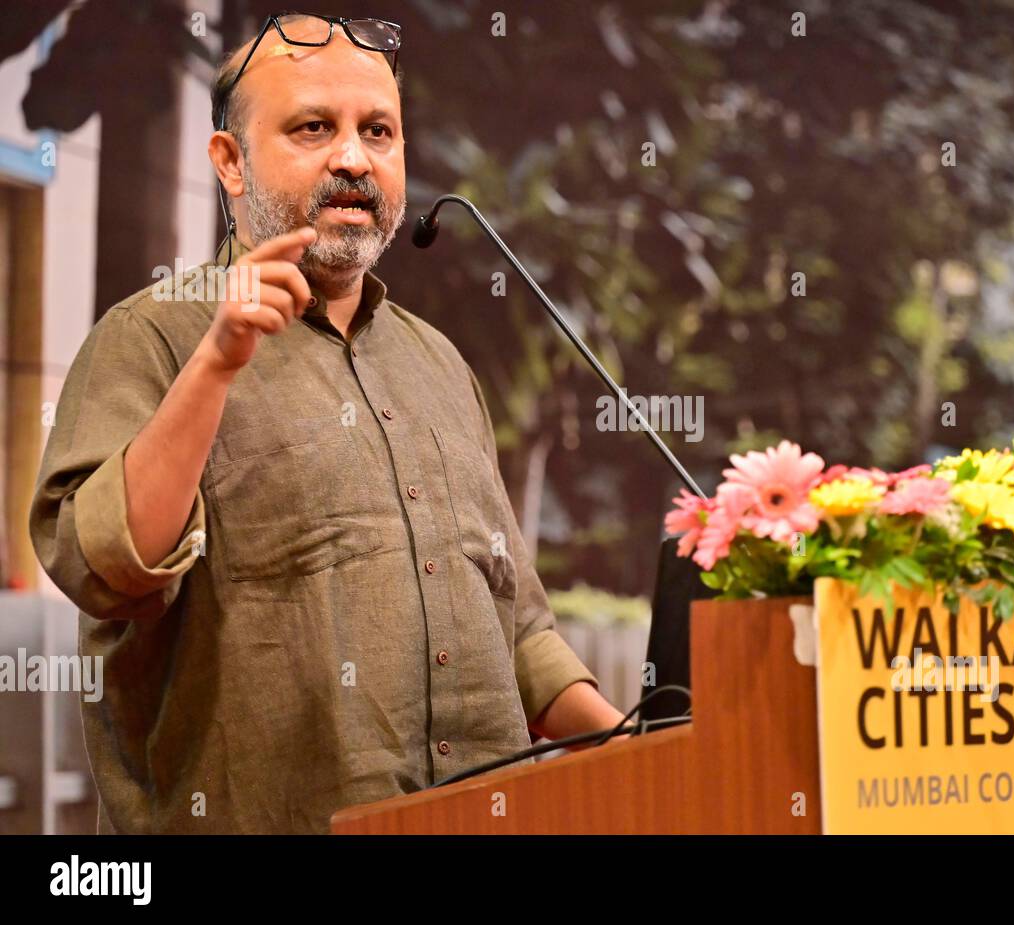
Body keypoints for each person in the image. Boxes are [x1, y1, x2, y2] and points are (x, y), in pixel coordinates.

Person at [29, 13, 624, 834]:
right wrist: (218, 362)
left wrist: (652, 746)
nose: (353, 157)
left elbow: (519, 629)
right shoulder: (152, 337)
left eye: (377, 130)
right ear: (229, 163)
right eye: (314, 127)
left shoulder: (439, 365)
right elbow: (108, 567)